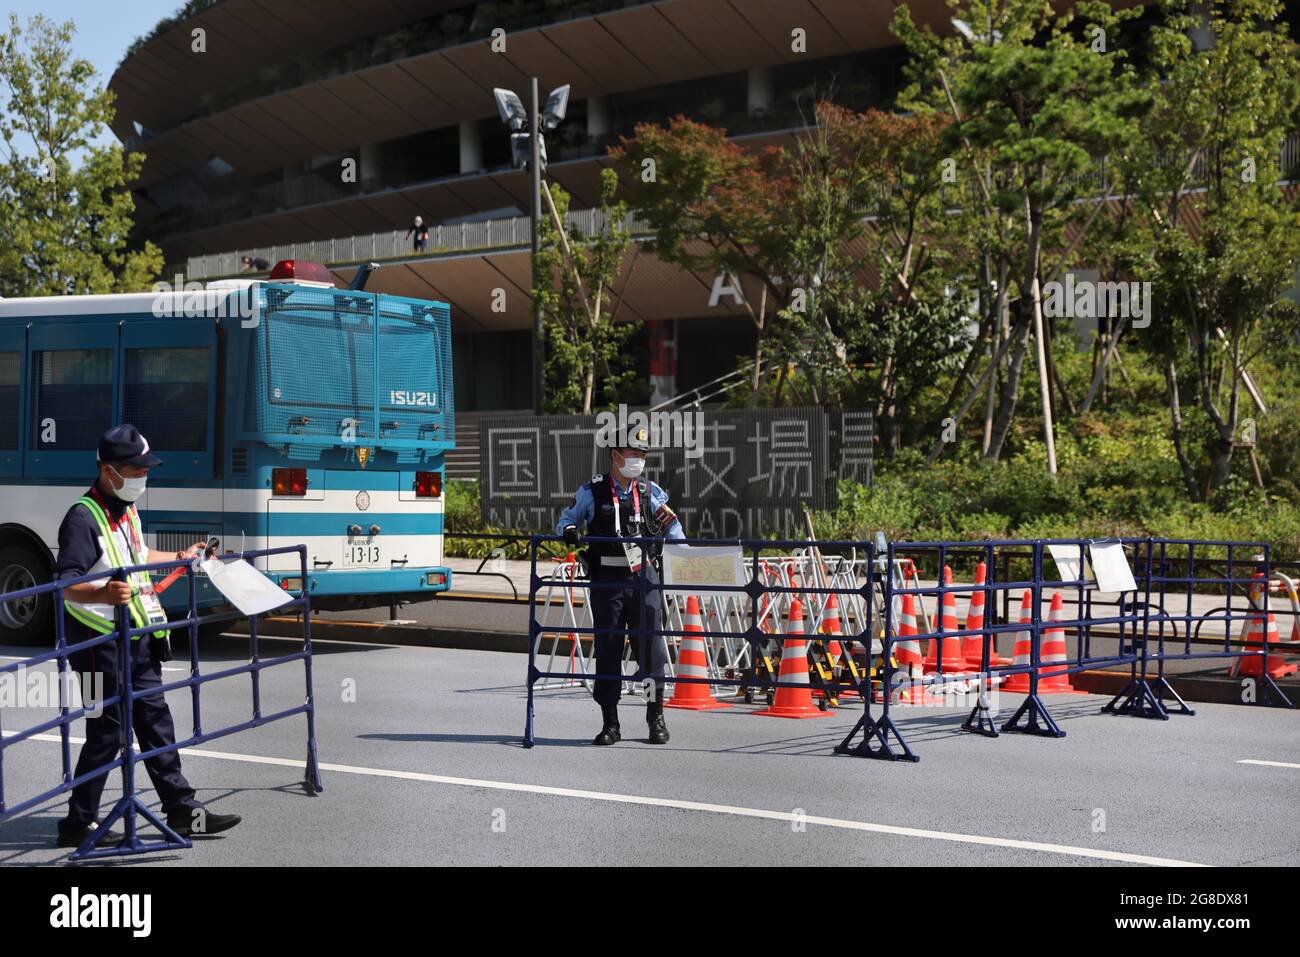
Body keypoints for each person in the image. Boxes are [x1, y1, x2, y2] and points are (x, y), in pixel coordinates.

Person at [54, 425, 241, 849]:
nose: (141, 475)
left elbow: (138, 558)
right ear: (108, 470)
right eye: (133, 468)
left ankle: (184, 812)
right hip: (95, 646)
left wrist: (178, 557)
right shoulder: (83, 517)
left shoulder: (126, 511)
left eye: (144, 468)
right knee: (104, 732)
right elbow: (65, 582)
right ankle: (76, 823)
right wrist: (101, 591)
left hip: (136, 638)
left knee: (157, 725)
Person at [556, 427, 684, 746]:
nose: (638, 460)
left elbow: (673, 526)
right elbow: (566, 520)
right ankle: (610, 723)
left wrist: (683, 554)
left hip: (644, 581)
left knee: (652, 653)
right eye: (633, 454)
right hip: (607, 583)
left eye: (642, 455)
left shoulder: (650, 491)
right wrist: (569, 530)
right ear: (615, 455)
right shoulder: (593, 491)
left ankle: (656, 717)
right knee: (609, 651)